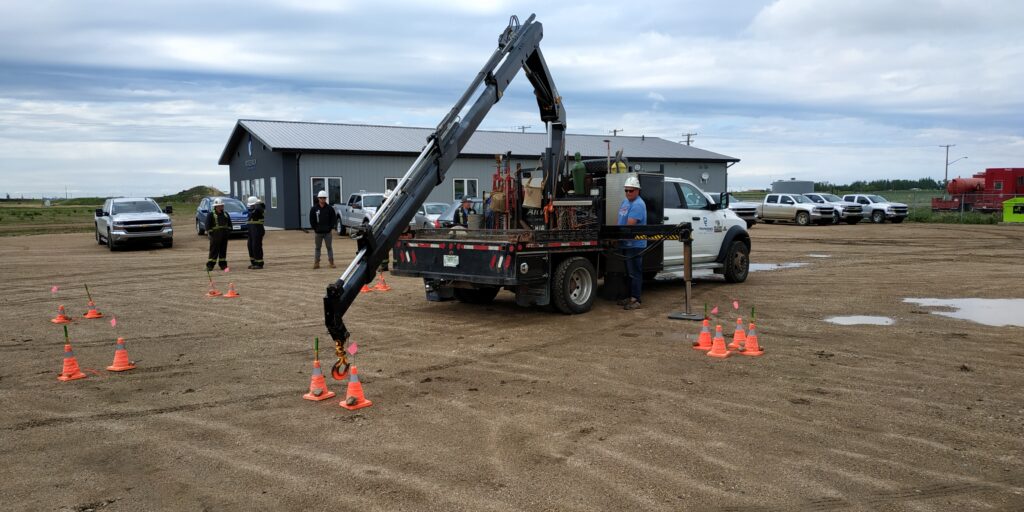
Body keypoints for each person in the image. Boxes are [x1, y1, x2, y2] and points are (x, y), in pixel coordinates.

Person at [617, 176, 647, 310]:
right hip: (626, 243)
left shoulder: (638, 205)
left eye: (631, 190)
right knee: (629, 272)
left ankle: (636, 299)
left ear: (637, 191)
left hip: (635, 245)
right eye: (626, 190)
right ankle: (630, 297)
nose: (628, 193)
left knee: (635, 272)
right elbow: (620, 222)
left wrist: (617, 237)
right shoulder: (625, 202)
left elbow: (630, 226)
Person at [309, 190, 338, 269]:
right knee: (317, 248)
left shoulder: (330, 208)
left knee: (329, 247)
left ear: (326, 199)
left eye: (324, 198)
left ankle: (331, 262)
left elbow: (333, 219)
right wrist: (315, 228)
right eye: (321, 198)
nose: (322, 199)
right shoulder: (314, 209)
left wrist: (330, 228)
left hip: (327, 233)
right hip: (318, 233)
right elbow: (312, 220)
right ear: (318, 198)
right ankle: (316, 263)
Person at [205, 197, 231, 271]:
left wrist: (228, 232)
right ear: (216, 206)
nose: (221, 207)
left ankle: (223, 265)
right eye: (220, 205)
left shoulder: (225, 214)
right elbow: (207, 225)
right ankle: (210, 265)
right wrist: (211, 233)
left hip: (224, 235)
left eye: (222, 205)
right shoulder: (211, 214)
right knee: (214, 250)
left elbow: (229, 224)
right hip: (215, 236)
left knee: (223, 250)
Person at [246, 196, 265, 269]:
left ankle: (259, 263)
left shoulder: (259, 209)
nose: (250, 206)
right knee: (250, 246)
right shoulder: (252, 209)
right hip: (251, 230)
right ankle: (254, 262)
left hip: (257, 229)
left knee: (256, 246)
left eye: (252, 205)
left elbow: (259, 209)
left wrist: (257, 203)